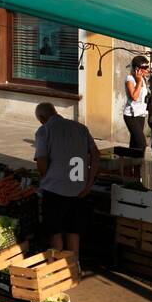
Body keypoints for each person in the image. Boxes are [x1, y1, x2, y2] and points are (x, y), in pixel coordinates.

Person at [34, 102, 99, 256]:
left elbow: (41, 160)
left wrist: (45, 176)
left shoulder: (44, 130)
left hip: (54, 189)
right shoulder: (81, 128)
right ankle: (74, 268)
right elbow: (96, 155)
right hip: (79, 189)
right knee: (74, 230)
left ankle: (58, 269)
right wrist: (89, 183)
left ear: (42, 118)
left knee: (54, 231)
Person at [122, 55, 150, 153]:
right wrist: (138, 82)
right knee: (141, 143)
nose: (147, 69)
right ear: (137, 68)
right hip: (131, 115)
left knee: (135, 144)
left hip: (141, 114)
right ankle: (135, 164)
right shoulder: (130, 79)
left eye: (148, 67)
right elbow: (134, 97)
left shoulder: (144, 79)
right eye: (145, 67)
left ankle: (132, 166)